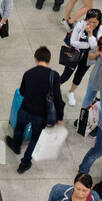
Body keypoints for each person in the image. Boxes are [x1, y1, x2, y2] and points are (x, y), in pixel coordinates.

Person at [6, 46, 67, 174]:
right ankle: (25, 163)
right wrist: (60, 118)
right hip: (40, 115)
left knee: (19, 128)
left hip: (25, 109)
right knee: (34, 138)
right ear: (49, 60)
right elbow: (58, 100)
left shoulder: (28, 73)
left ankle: (16, 146)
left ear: (35, 59)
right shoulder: (54, 76)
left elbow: (22, 92)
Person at [62, 9, 102, 107]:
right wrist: (89, 44)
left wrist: (90, 34)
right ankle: (53, 90)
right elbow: (73, 42)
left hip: (89, 57)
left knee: (79, 75)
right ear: (86, 19)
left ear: (99, 21)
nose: (92, 24)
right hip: (74, 53)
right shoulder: (80, 24)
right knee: (66, 74)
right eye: (90, 21)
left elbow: (96, 47)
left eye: (95, 22)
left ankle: (71, 92)